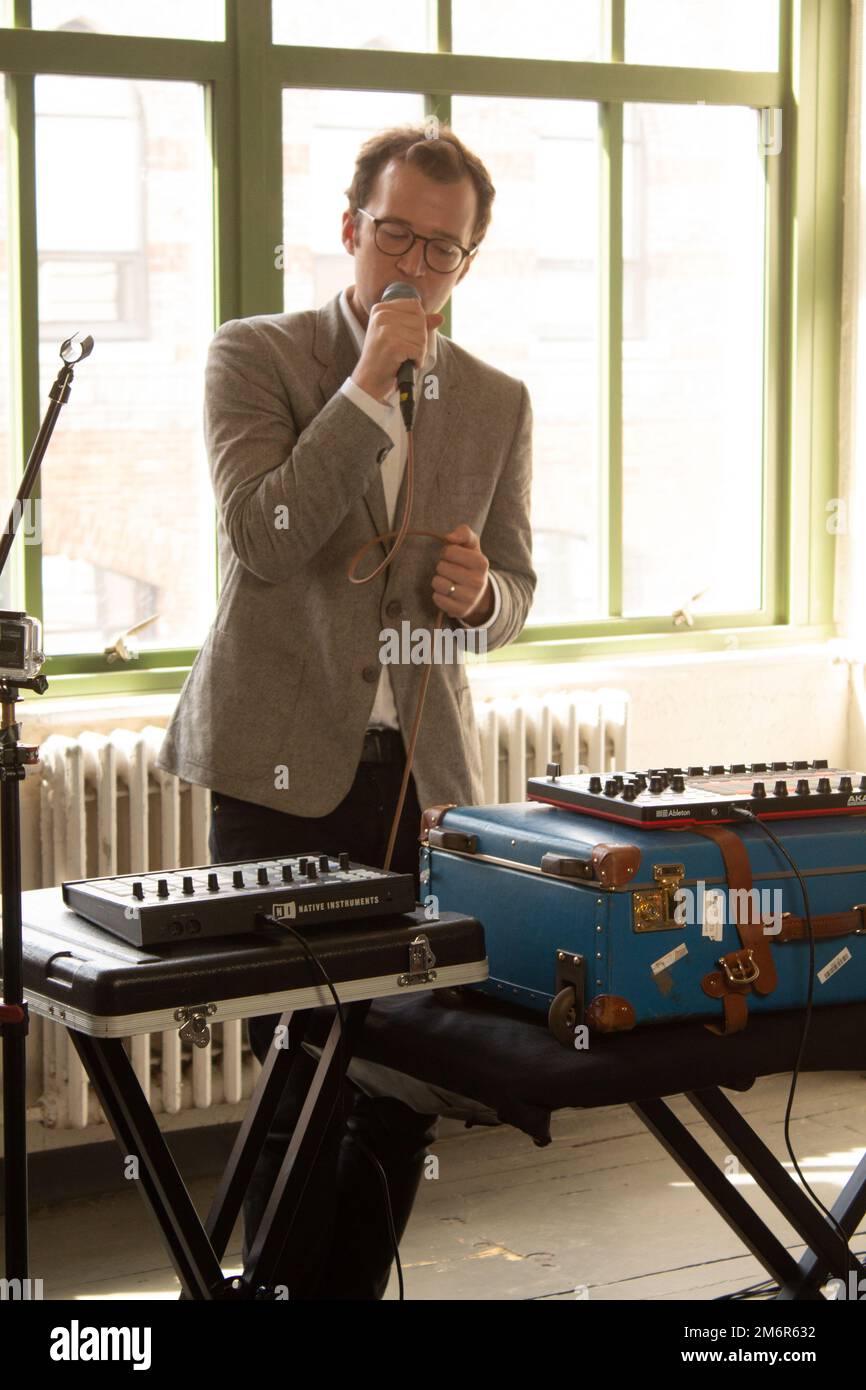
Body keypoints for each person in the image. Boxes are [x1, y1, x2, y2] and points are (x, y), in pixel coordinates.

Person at [156, 123, 535, 1298]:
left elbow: (515, 587)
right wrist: (369, 382)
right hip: (274, 771)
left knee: (401, 1063)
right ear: (347, 230)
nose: (413, 269)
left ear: (466, 260)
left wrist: (483, 601)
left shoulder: (496, 399)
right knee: (296, 1063)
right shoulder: (255, 353)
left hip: (415, 779)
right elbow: (265, 539)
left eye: (441, 249)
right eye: (393, 237)